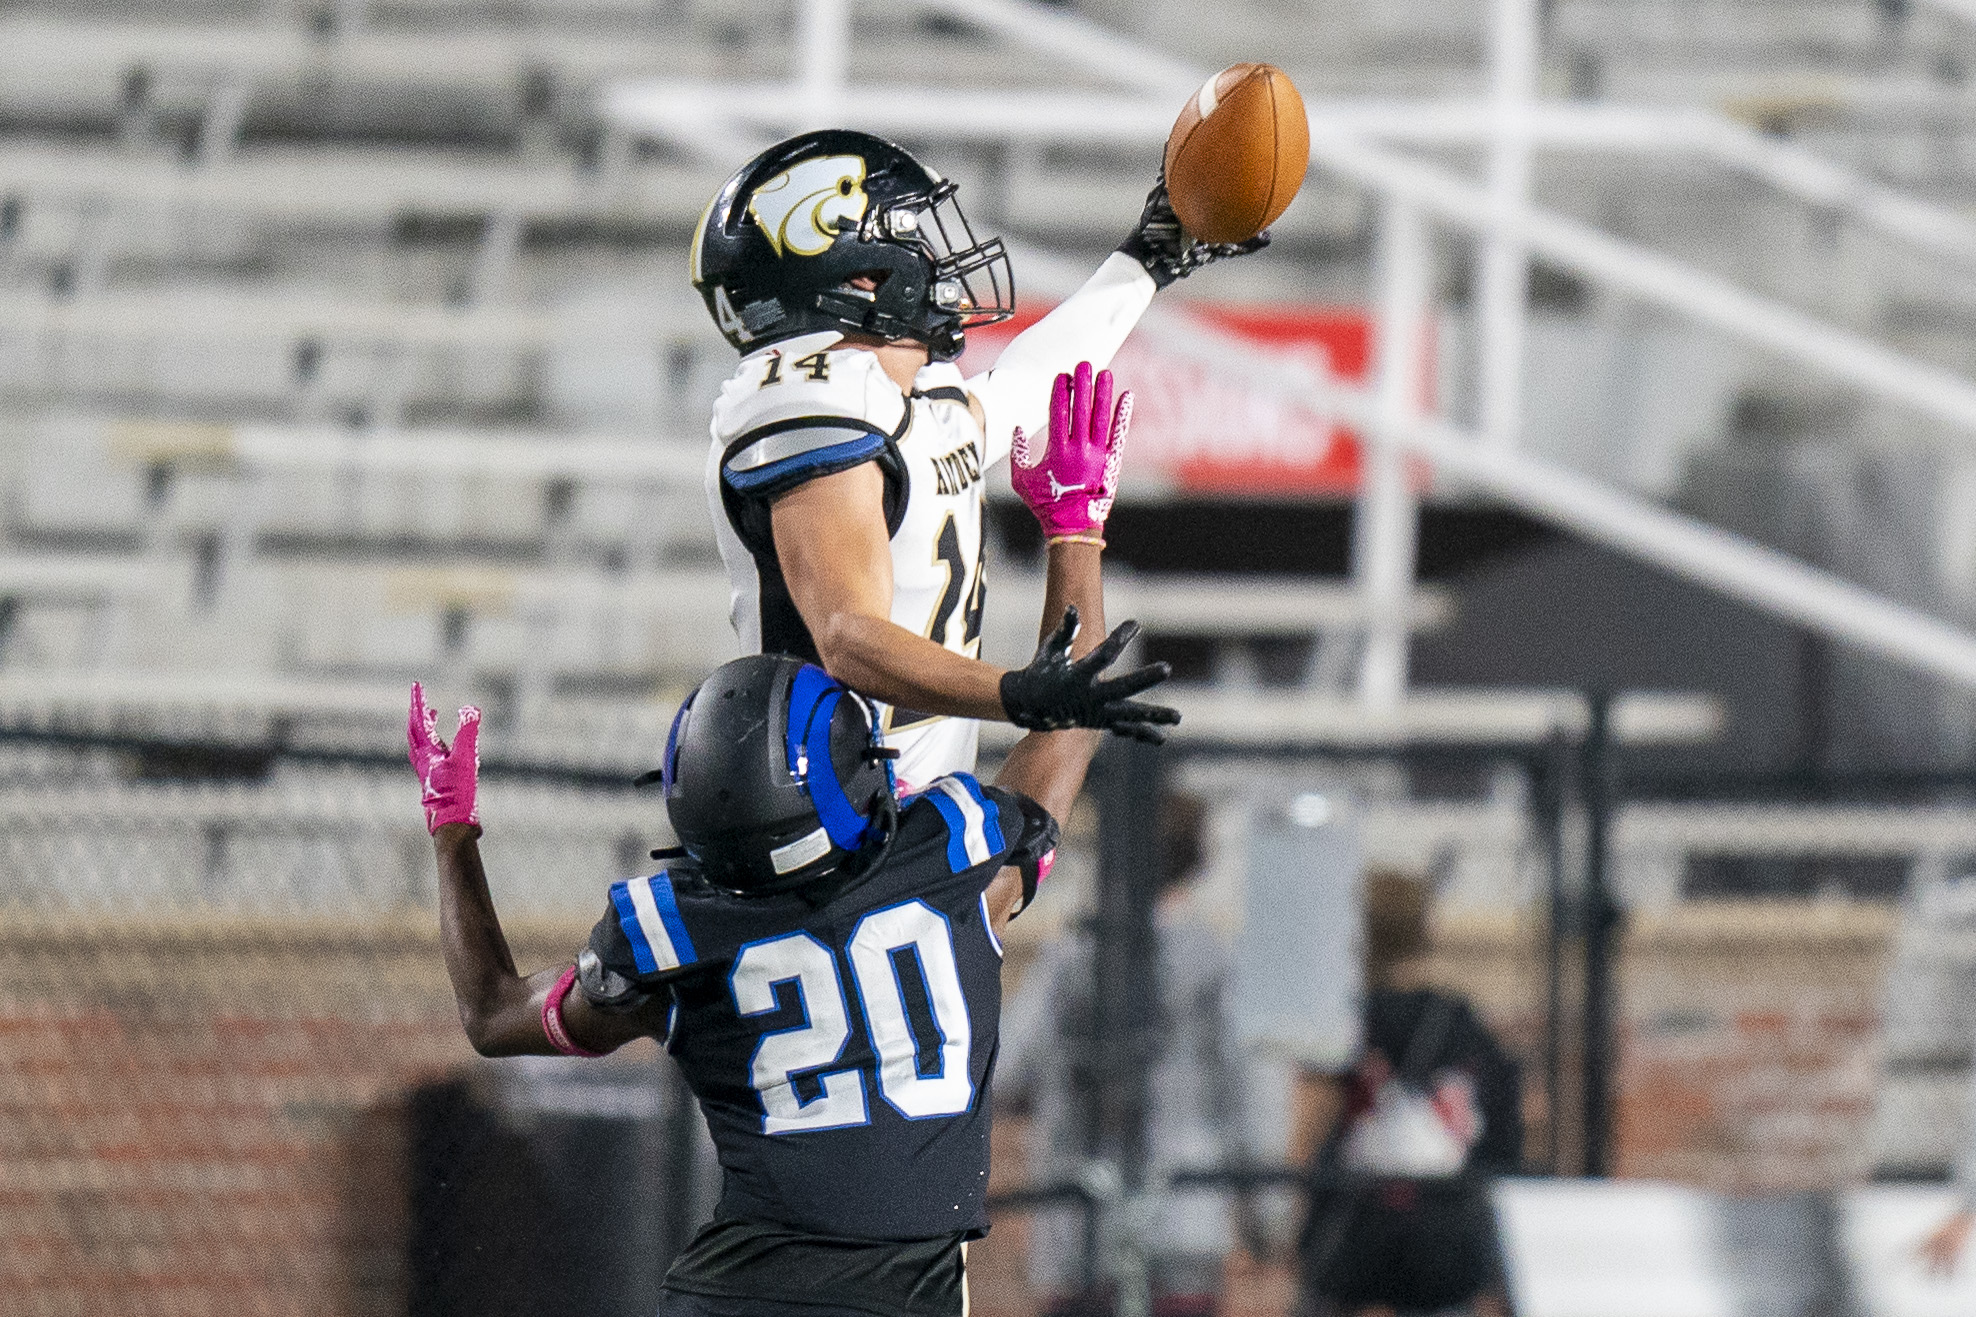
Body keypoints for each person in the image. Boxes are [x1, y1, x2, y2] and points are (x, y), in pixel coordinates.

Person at [407, 371, 1156, 1317]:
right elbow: (1063, 737)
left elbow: (494, 1016)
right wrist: (1074, 531)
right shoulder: (953, 862)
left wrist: (452, 834)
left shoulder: (671, 934)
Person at [691, 128, 1266, 787]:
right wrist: (1015, 691)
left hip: (906, 812)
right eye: (913, 239)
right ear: (858, 272)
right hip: (822, 825)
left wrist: (1147, 261)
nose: (939, 263)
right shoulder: (808, 396)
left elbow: (1024, 385)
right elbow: (847, 634)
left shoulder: (903, 397)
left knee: (1035, 822)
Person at [1001, 793, 1259, 1317]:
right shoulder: (1218, 960)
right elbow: (1247, 1096)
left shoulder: (1071, 955)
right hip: (1187, 1213)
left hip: (1080, 1218)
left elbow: (1005, 1071)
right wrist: (1264, 1214)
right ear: (1199, 857)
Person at [1292, 871, 1522, 1317]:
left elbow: (1308, 1133)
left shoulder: (1338, 1027)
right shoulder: (1463, 1026)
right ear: (1424, 933)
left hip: (1352, 1231)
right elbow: (1502, 1139)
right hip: (1445, 1235)